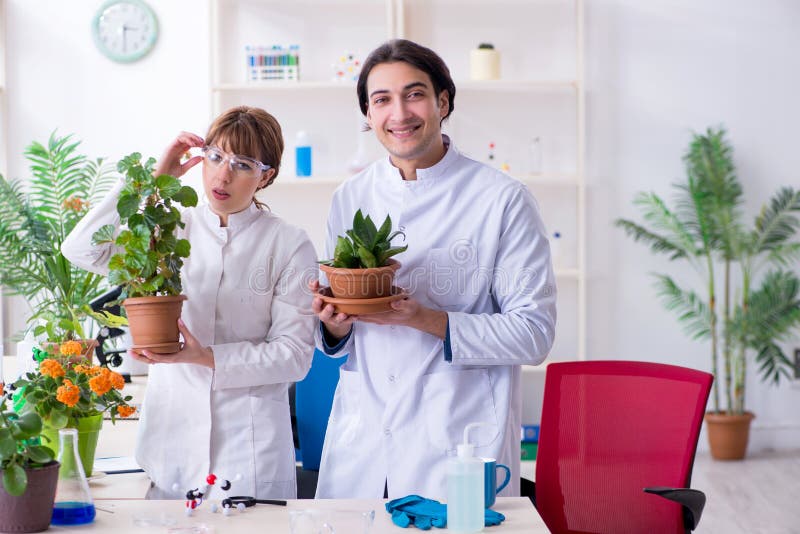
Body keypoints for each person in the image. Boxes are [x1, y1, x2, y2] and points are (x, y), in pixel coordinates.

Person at [310, 39, 557, 499]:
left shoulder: (502, 200)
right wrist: (333, 327)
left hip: (455, 433)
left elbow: (534, 334)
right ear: (368, 115)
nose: (399, 113)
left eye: (415, 94)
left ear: (443, 102)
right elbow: (340, 340)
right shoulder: (349, 197)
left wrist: (426, 319)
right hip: (364, 436)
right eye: (381, 99)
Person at [62, 106, 317, 499]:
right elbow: (80, 249)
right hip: (171, 449)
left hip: (250, 454)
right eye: (215, 156)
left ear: (266, 175)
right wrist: (149, 183)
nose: (223, 174)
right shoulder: (168, 228)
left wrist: (206, 357)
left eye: (243, 164)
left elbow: (295, 356)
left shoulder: (288, 243)